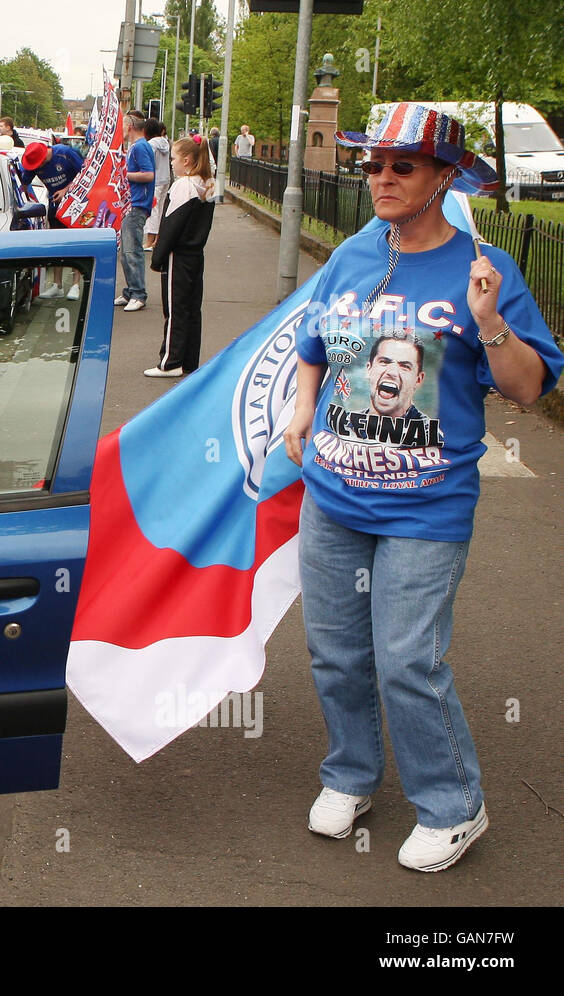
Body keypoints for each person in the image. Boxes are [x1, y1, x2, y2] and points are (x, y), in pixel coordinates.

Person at [284, 102, 563, 872]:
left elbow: (530, 389)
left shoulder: (485, 267)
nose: (380, 177)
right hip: (333, 497)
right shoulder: (350, 254)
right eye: (371, 164)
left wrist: (489, 321)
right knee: (335, 653)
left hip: (425, 507)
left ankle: (453, 805)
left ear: (444, 177)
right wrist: (305, 405)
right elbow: (313, 342)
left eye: (400, 166)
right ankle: (351, 775)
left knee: (407, 658)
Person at [146, 136, 215, 377]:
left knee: (174, 309)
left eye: (174, 158)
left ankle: (170, 362)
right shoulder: (208, 183)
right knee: (192, 309)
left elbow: (171, 225)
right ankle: (188, 361)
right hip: (196, 255)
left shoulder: (183, 186)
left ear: (186, 160)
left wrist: (158, 257)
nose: (172, 163)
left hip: (179, 256)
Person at [19, 140, 86, 300]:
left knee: (75, 243)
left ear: (43, 157)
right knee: (58, 244)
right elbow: (24, 181)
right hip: (56, 207)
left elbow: (85, 175)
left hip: (76, 204)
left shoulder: (65, 153)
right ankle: (57, 285)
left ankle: (75, 285)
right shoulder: (33, 164)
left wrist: (66, 190)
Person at [117, 113, 156, 313]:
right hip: (133, 203)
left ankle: (138, 293)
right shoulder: (138, 147)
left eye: (123, 126)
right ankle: (131, 291)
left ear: (130, 126)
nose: (121, 130)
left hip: (136, 203)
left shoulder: (140, 147)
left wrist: (124, 176)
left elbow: (148, 174)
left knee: (131, 251)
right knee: (126, 252)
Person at [143, 119, 172, 250]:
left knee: (153, 210)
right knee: (160, 210)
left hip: (155, 181)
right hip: (165, 179)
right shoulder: (165, 142)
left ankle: (149, 240)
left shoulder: (150, 145)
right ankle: (157, 240)